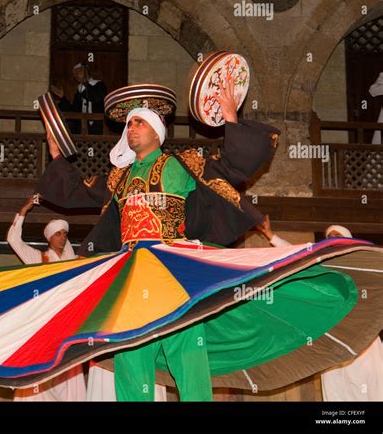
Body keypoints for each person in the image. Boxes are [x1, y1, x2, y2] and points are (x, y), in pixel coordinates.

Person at [38, 78, 279, 400]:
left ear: (156, 129)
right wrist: (57, 157)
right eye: (128, 124)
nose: (130, 128)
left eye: (138, 122)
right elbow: (74, 192)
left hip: (174, 268)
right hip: (131, 271)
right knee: (131, 352)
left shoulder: (182, 164)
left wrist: (231, 119)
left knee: (186, 350)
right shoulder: (118, 177)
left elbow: (234, 168)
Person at [256, 217, 383, 401]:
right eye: (328, 239)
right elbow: (296, 256)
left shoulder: (361, 266)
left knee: (373, 380)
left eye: (337, 238)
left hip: (363, 334)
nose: (332, 242)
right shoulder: (323, 269)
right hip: (334, 336)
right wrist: (271, 236)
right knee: (337, 384)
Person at [7, 195, 86, 401]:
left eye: (64, 234)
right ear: (49, 238)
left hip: (69, 322)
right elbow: (14, 241)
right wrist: (23, 211)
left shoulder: (73, 262)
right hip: (46, 320)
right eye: (58, 234)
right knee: (42, 368)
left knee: (70, 369)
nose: (62, 237)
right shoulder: (38, 259)